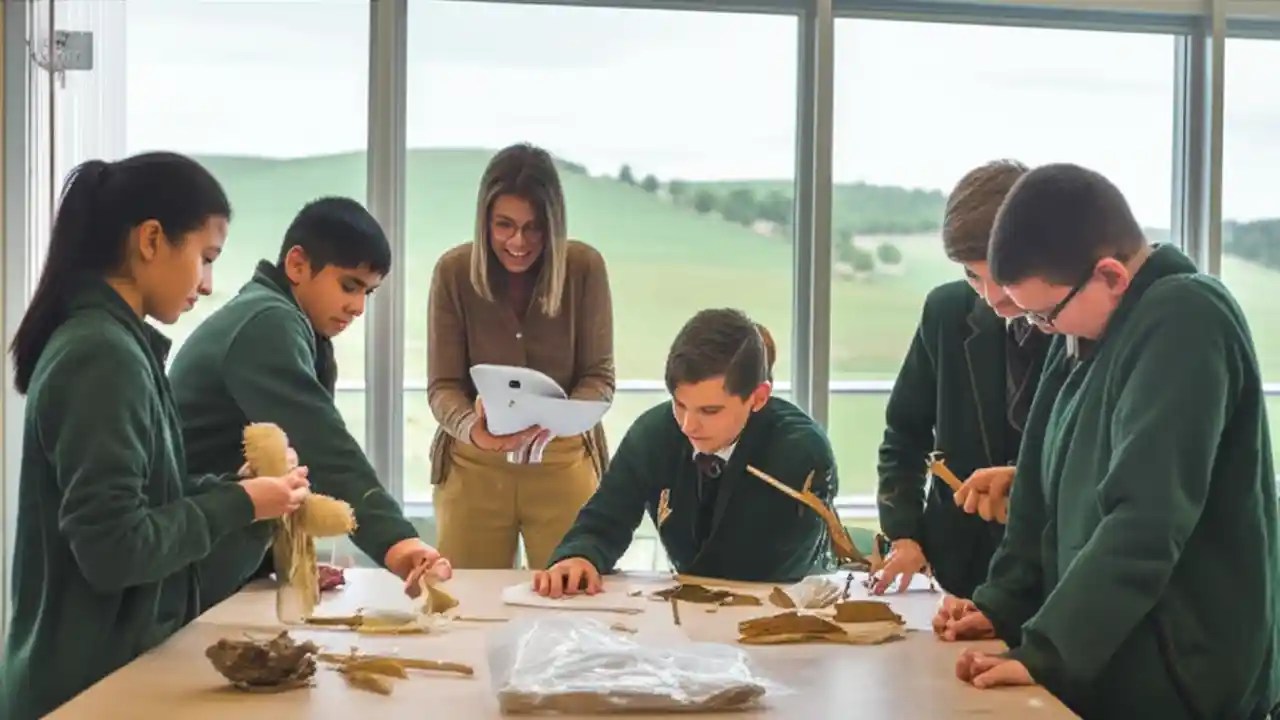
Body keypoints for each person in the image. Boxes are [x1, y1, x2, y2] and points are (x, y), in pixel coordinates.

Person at [943, 163, 1279, 720]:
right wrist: (1003, 604)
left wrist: (1049, 652)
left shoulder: (1186, 318)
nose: (1041, 327)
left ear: (1111, 275)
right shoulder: (1081, 329)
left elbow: (1146, 519)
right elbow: (1040, 492)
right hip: (1113, 660)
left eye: (1045, 313)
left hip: (1183, 673)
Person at [0, 153, 310, 719]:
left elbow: (151, 506)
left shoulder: (118, 347)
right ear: (150, 240)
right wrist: (240, 503)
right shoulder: (101, 355)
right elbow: (114, 548)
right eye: (205, 258)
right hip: (86, 692)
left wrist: (243, 493)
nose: (208, 285)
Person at [168, 196, 450, 609]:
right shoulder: (267, 322)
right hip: (187, 565)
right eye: (349, 286)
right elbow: (324, 449)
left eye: (369, 292)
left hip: (213, 554)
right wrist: (398, 542)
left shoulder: (290, 322)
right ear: (297, 265)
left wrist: (283, 562)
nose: (358, 307)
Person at [533, 309, 839, 597]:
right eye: (679, 404)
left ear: (758, 398)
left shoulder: (801, 453)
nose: (688, 425)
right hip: (694, 613)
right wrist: (580, 556)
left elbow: (765, 575)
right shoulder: (654, 433)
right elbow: (606, 517)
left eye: (710, 410)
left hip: (793, 612)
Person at [427, 143, 614, 570]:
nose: (518, 242)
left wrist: (559, 417)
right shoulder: (452, 272)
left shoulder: (585, 268)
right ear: (484, 222)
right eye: (504, 225)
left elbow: (599, 377)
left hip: (563, 459)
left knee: (571, 599)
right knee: (466, 600)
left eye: (534, 228)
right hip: (473, 462)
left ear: (554, 224)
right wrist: (473, 428)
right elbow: (442, 386)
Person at [873, 159, 1050, 598]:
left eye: (1003, 276)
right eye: (973, 275)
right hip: (957, 567)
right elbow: (904, 433)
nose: (992, 298)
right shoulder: (946, 311)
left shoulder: (1081, 325)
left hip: (1054, 570)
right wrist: (905, 534)